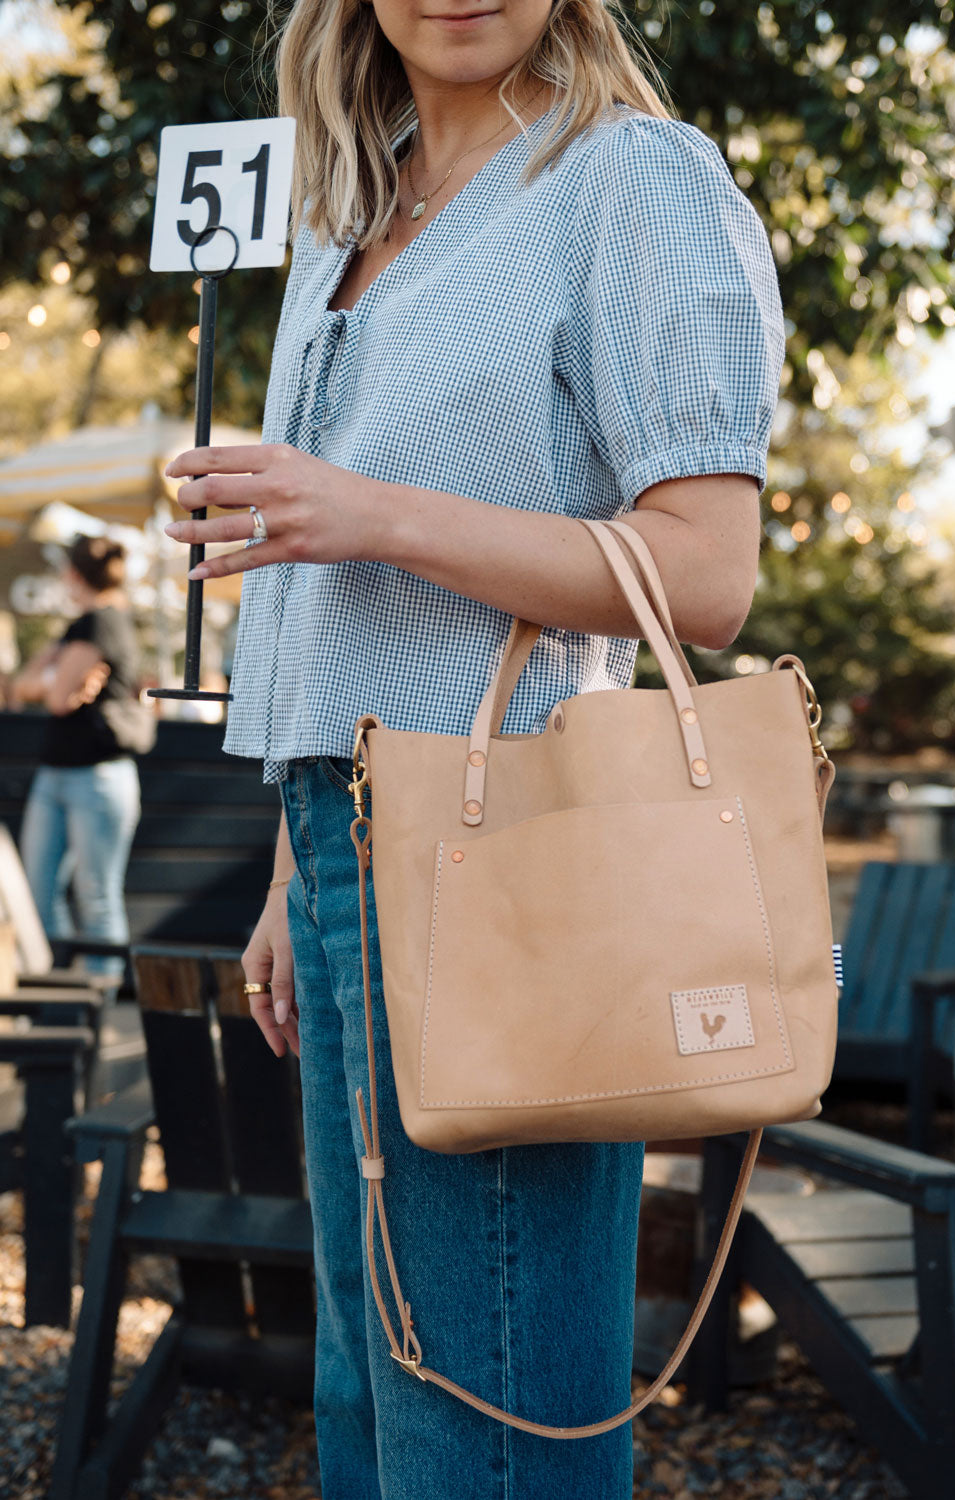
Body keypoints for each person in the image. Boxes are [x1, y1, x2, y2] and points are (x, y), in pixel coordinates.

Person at [162, 0, 784, 1493]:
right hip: (344, 844)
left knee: (483, 1414)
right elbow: (325, 608)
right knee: (376, 1400)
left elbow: (704, 571)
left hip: (511, 862)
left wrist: (369, 511)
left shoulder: (630, 178)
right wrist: (291, 867)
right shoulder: (347, 212)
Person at [13, 535, 146, 981]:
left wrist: (52, 679)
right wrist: (56, 679)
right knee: (39, 895)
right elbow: (28, 686)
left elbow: (50, 696)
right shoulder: (83, 626)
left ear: (72, 575)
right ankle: (56, 995)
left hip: (98, 778)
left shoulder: (101, 624)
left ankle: (95, 1009)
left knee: (97, 898)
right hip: (58, 776)